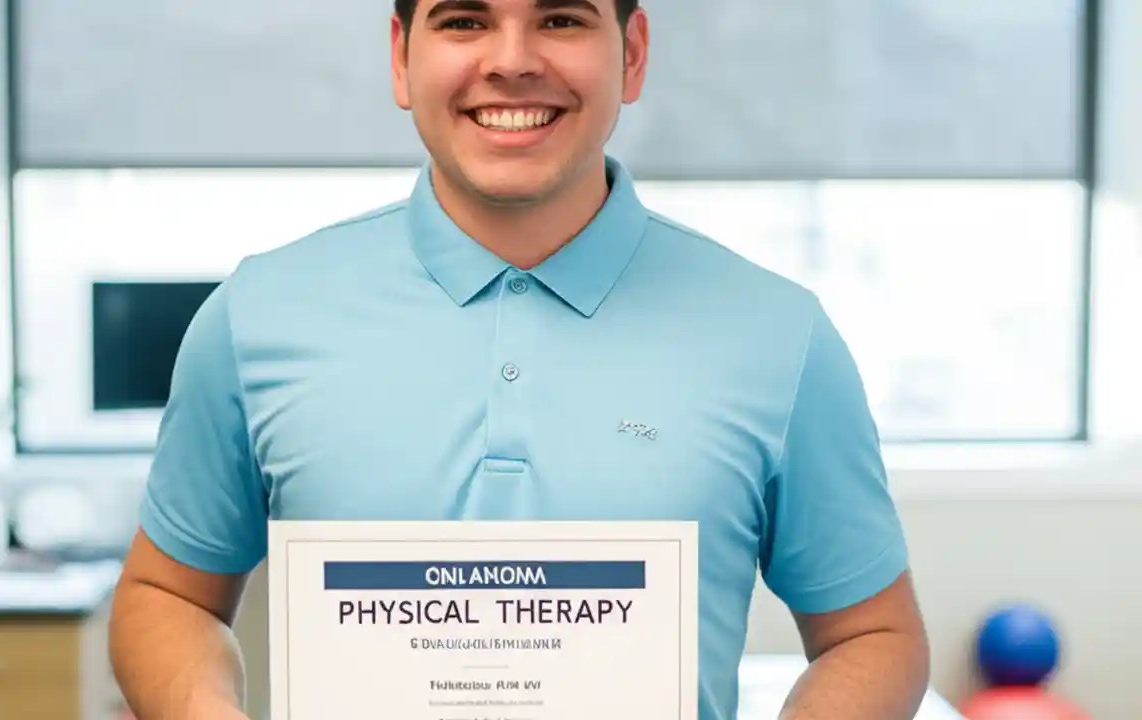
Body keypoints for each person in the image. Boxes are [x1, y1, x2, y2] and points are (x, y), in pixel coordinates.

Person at [108, 1, 931, 718]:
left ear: (632, 53)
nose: (510, 61)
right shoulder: (255, 316)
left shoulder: (780, 337)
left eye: (561, 19)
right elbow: (166, 596)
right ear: (401, 57)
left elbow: (874, 635)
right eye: (464, 20)